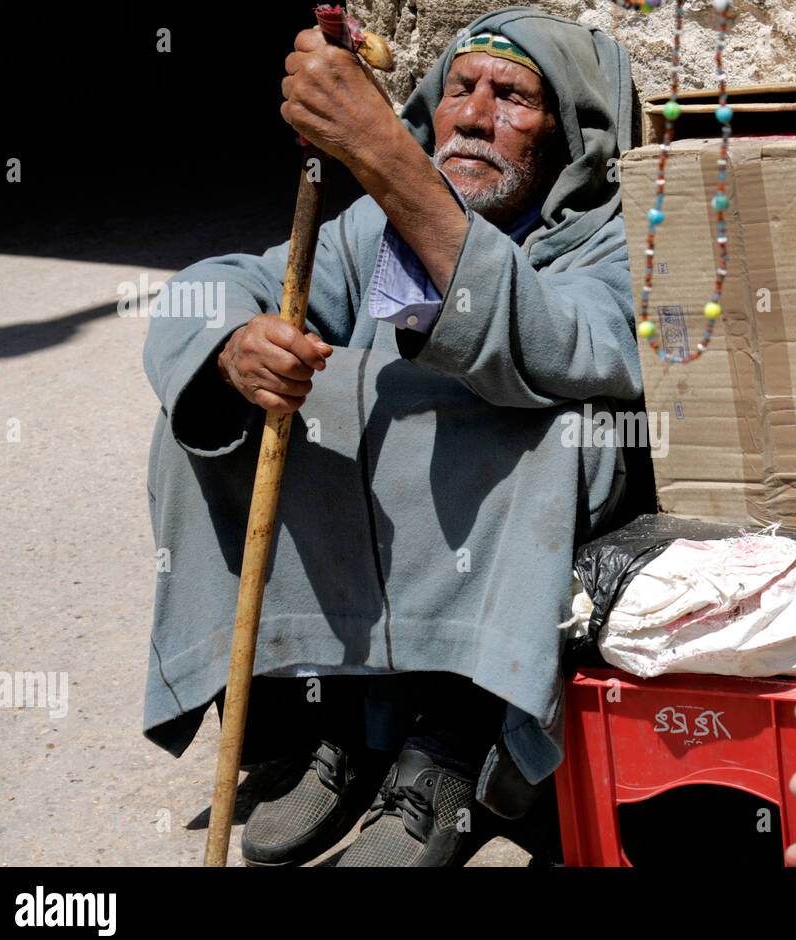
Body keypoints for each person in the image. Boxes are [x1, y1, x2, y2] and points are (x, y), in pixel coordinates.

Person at [141, 7, 649, 866]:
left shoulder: (618, 238)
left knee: (556, 437)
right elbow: (222, 284)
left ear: (575, 135)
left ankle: (456, 746)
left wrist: (383, 156)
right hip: (383, 562)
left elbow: (564, 342)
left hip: (525, 546)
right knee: (215, 414)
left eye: (514, 98)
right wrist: (233, 346)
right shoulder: (373, 233)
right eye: (459, 89)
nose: (474, 116)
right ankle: (323, 719)